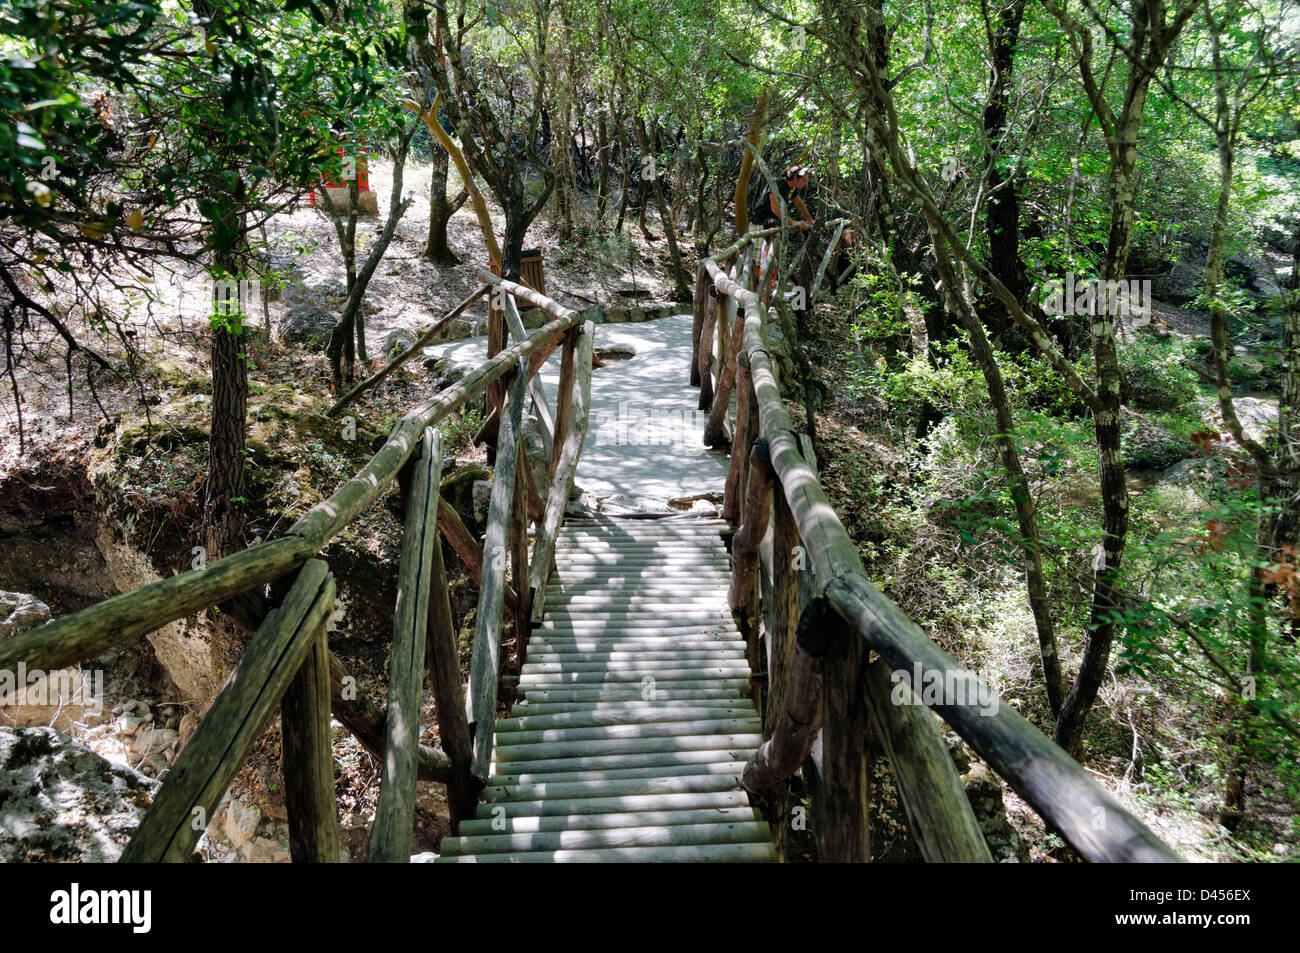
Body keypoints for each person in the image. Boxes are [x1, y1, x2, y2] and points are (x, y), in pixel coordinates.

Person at [756, 165, 815, 302]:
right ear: (794, 178)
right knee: (759, 261)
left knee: (773, 260)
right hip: (760, 225)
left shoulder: (792, 188)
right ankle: (756, 295)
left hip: (773, 226)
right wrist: (793, 222)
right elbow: (775, 208)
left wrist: (811, 221)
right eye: (804, 180)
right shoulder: (778, 183)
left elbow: (799, 205)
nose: (806, 183)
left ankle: (767, 295)